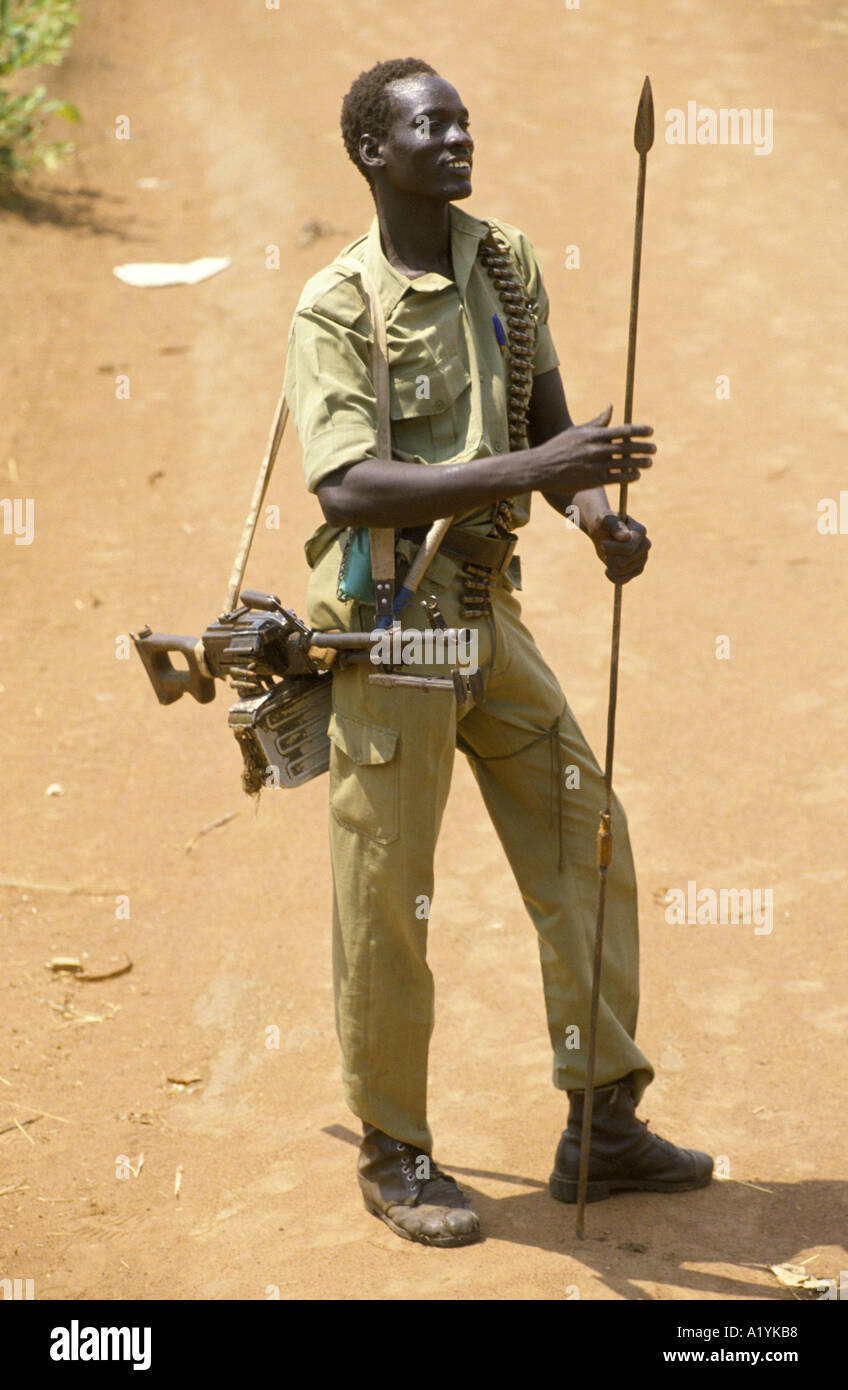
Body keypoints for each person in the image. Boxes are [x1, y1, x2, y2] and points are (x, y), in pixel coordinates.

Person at [283, 57, 712, 1247]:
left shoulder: (504, 264)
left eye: (464, 120)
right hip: (390, 628)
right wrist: (539, 475)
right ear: (374, 151)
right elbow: (347, 483)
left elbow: (542, 418)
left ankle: (602, 1115)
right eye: (431, 124)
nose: (458, 137)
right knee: (389, 894)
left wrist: (592, 517)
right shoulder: (339, 305)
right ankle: (395, 1150)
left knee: (585, 834)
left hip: (486, 614)